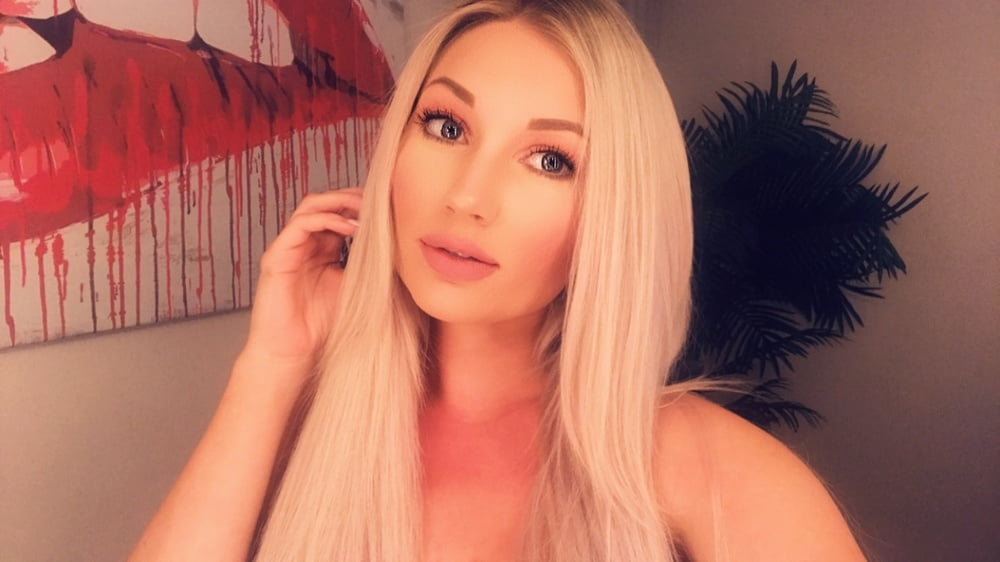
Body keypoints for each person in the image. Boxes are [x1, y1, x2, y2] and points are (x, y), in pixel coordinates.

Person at [129, 1, 868, 560]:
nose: (468, 196)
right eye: (447, 127)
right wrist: (270, 364)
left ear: (614, 217)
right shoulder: (309, 426)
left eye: (550, 160)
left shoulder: (711, 468)